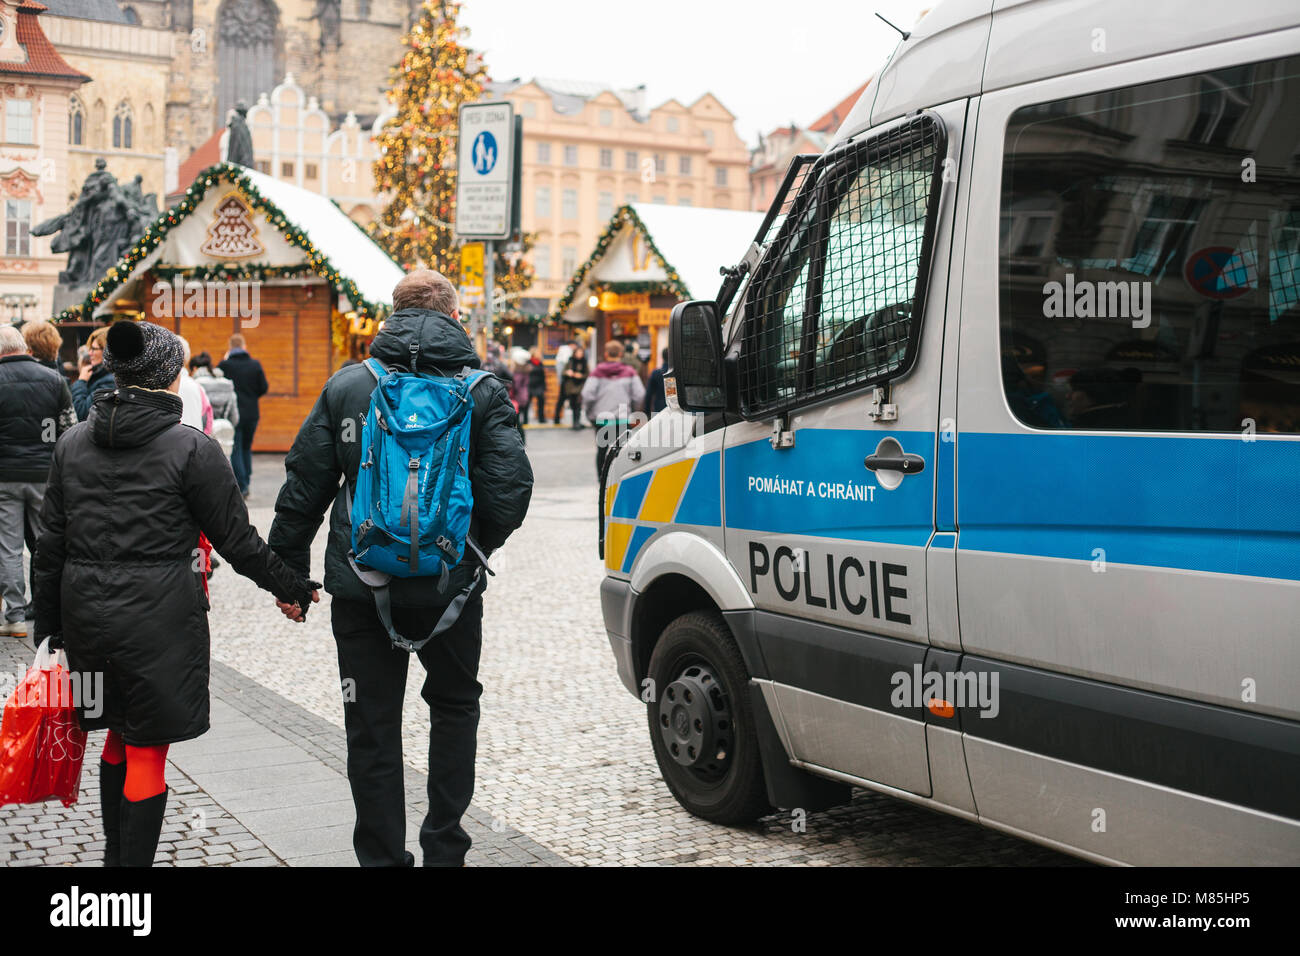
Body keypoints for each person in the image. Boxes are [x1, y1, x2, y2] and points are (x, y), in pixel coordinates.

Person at [269, 269, 533, 868]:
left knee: (371, 725)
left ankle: (383, 858)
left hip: (362, 585)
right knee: (455, 706)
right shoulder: (483, 390)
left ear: (391, 315)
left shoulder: (349, 387)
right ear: (454, 316)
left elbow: (305, 483)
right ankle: (445, 848)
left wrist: (289, 575)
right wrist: (469, 551)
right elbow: (510, 491)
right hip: (449, 591)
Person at [33, 319, 318, 867]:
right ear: (169, 377)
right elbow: (237, 540)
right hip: (158, 622)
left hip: (87, 618)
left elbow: (51, 546)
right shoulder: (192, 448)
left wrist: (49, 633)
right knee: (145, 750)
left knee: (116, 735)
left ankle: (115, 862)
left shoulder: (71, 442)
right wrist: (292, 588)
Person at [0, 327, 75, 639]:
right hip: (46, 475)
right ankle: (51, 611)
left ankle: (15, 616)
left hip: (5, 476)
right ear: (23, 346)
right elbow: (69, 428)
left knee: (9, 548)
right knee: (47, 544)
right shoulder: (54, 379)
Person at [582, 340, 645, 476]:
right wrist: (633, 410)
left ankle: (601, 480)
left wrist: (590, 413)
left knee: (602, 450)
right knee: (622, 451)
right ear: (621, 354)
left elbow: (587, 394)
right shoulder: (629, 372)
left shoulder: (597, 372)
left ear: (606, 354)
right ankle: (619, 478)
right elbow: (639, 394)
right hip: (622, 418)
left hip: (602, 419)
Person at [219, 333, 268, 498]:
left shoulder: (225, 366)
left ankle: (242, 484)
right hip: (252, 413)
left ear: (230, 348)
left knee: (237, 448)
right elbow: (263, 387)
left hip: (234, 413)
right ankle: (246, 479)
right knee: (247, 447)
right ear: (244, 347)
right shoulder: (255, 365)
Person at [71, 326, 116, 419]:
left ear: (107, 351)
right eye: (89, 349)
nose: (90, 353)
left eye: (94, 349)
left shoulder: (109, 382)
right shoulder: (102, 374)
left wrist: (81, 381)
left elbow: (81, 413)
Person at [561, 345, 589, 429]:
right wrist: (567, 373)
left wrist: (581, 376)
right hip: (571, 387)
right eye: (578, 352)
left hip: (580, 387)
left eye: (581, 353)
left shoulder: (584, 363)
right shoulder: (570, 362)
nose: (579, 354)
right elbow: (563, 372)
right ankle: (575, 423)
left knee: (578, 405)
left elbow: (588, 374)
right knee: (573, 405)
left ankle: (577, 422)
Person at [551, 339, 573, 424]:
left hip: (565, 382)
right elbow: (562, 373)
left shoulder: (559, 359)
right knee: (563, 400)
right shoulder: (564, 360)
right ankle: (557, 418)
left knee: (561, 400)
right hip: (566, 383)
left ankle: (557, 418)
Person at [526, 347, 547, 425]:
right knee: (527, 403)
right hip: (530, 385)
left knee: (541, 402)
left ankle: (541, 418)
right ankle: (525, 419)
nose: (539, 354)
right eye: (537, 352)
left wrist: (544, 386)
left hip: (539, 385)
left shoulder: (540, 363)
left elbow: (543, 375)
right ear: (533, 353)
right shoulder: (528, 362)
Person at [646, 347, 669, 415]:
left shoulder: (656, 373)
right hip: (675, 410)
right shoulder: (677, 374)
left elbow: (649, 394)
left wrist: (647, 411)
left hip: (658, 408)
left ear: (662, 357)